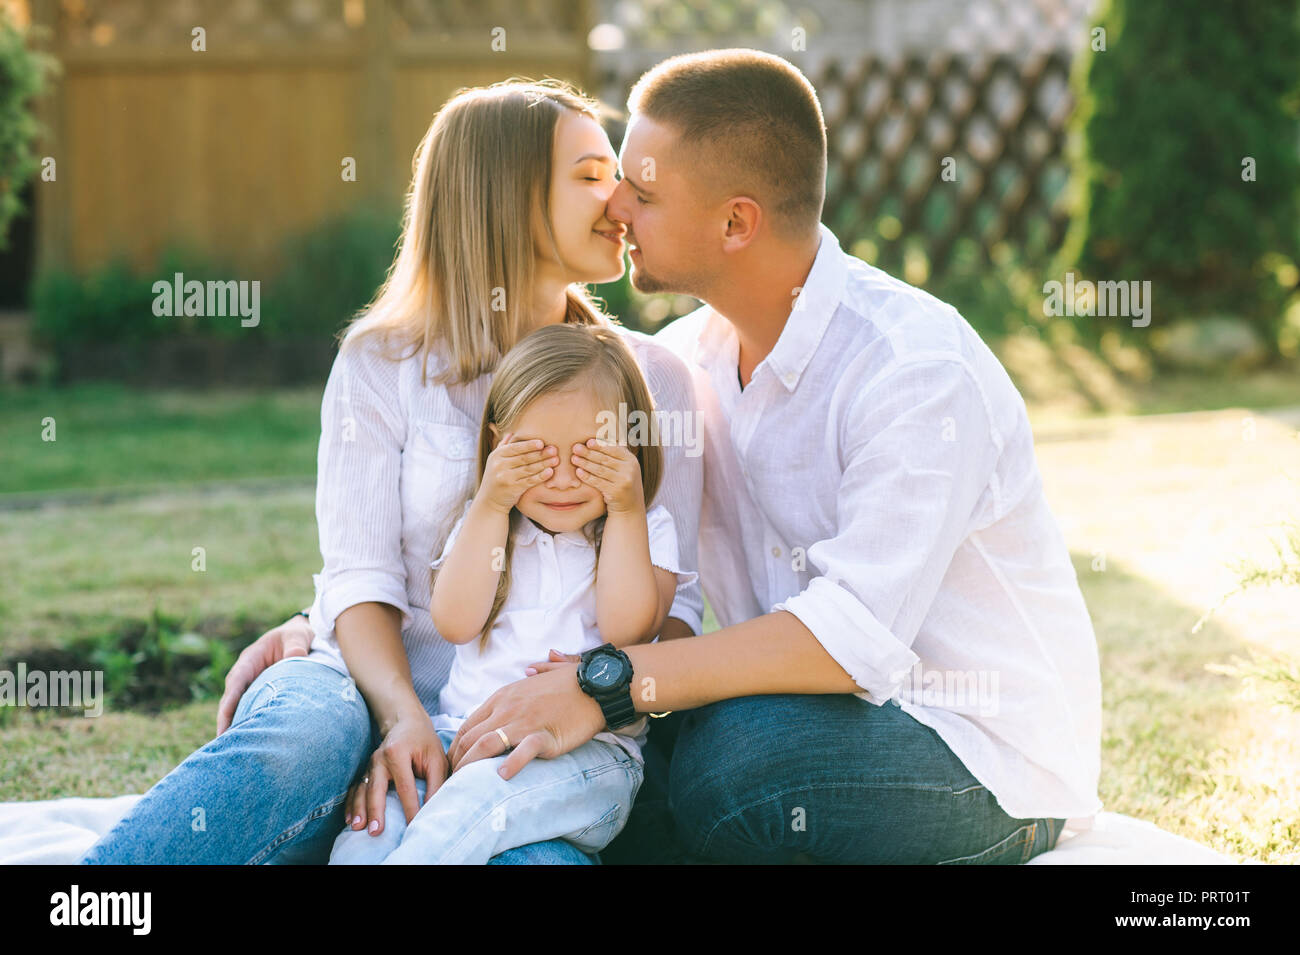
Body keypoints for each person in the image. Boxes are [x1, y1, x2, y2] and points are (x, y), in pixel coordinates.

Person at [226, 48, 1104, 865]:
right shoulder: (681, 368)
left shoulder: (913, 369)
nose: (615, 207)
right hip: (813, 710)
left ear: (734, 221)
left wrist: (605, 685)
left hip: (974, 749)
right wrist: (326, 618)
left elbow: (852, 639)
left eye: (639, 189)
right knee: (618, 751)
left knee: (731, 762)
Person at [80, 79, 702, 865]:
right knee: (297, 745)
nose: (620, 197)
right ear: (501, 195)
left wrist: (591, 691)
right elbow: (361, 578)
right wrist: (404, 715)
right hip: (359, 677)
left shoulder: (654, 380)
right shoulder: (384, 361)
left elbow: (677, 610)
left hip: (531, 719)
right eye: (588, 175)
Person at [330, 323, 694, 864]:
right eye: (538, 456)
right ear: (500, 446)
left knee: (471, 810)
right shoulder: (490, 527)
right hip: (462, 741)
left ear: (631, 447)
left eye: (592, 455)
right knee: (369, 839)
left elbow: (627, 631)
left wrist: (624, 507)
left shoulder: (645, 529)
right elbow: (455, 621)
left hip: (589, 759)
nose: (565, 479)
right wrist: (492, 504)